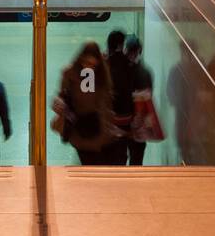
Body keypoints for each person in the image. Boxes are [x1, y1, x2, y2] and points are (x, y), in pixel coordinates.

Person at [52, 42, 117, 166]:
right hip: (80, 129)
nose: (89, 66)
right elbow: (62, 95)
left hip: (99, 129)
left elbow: (107, 101)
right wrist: (59, 104)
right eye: (86, 63)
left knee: (95, 164)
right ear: (81, 59)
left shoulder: (103, 74)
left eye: (93, 64)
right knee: (89, 162)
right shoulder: (70, 73)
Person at [124, 35, 160, 166]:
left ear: (125, 50)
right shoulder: (145, 72)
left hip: (122, 122)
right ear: (139, 50)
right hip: (139, 125)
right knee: (136, 159)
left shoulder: (120, 71)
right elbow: (147, 98)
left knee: (119, 160)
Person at [103, 30, 134, 165]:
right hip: (126, 116)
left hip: (108, 116)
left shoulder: (105, 64)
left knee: (108, 148)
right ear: (122, 44)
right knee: (122, 149)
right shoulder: (129, 64)